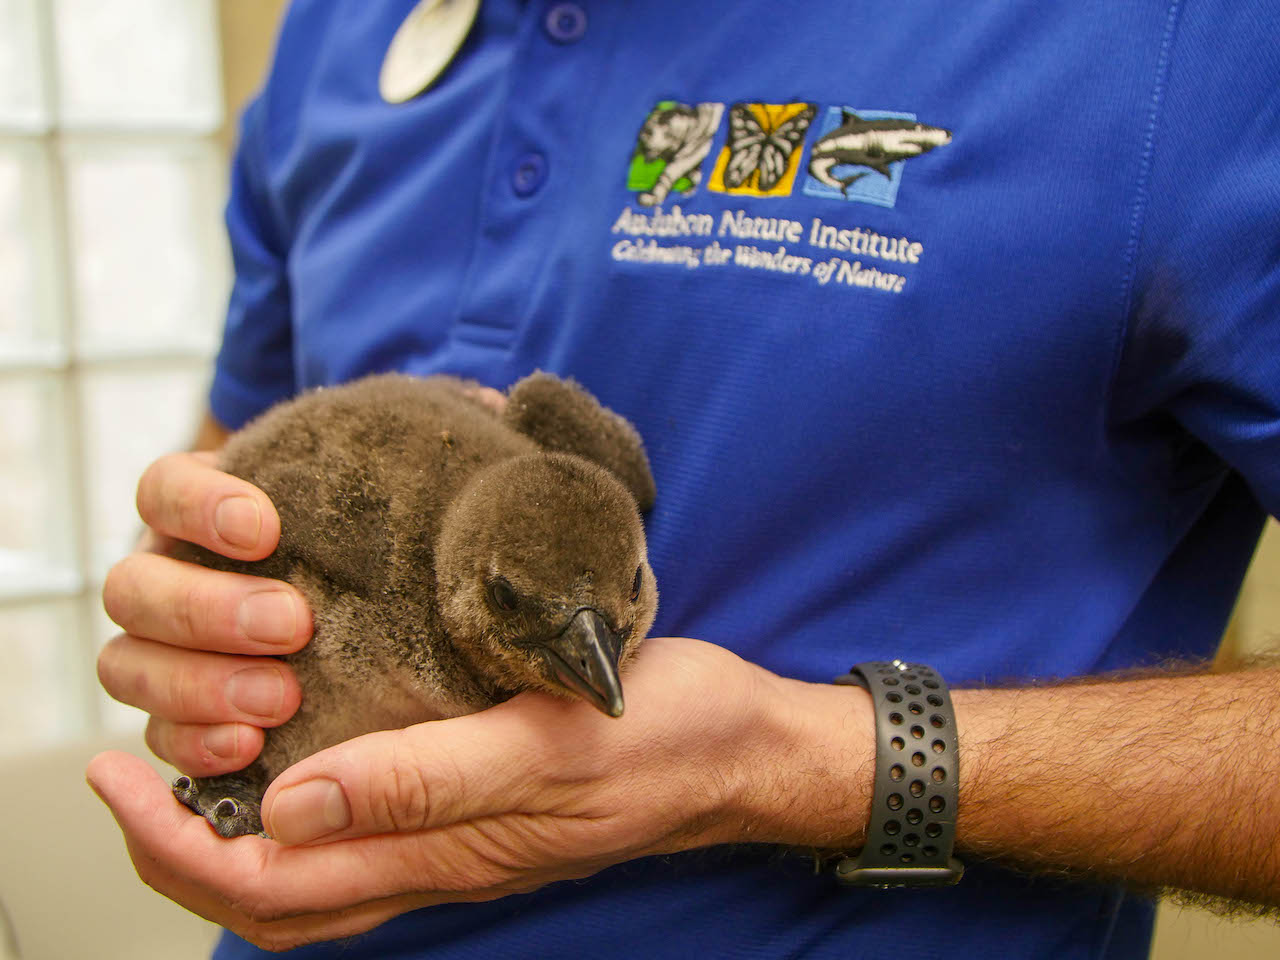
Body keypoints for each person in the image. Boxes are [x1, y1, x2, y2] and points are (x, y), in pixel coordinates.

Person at [88, 1, 1280, 957]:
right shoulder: (335, 32)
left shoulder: (1191, 39)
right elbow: (236, 461)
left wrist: (792, 765)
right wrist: (195, 610)